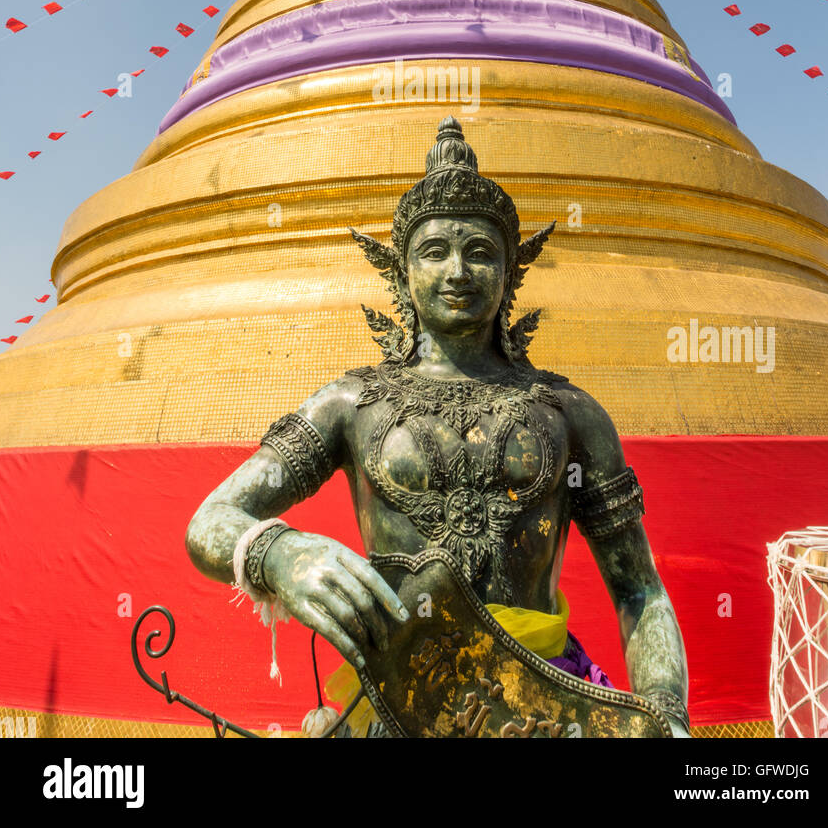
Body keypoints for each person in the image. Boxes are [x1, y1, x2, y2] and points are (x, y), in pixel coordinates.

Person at [186, 116, 690, 737]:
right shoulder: (351, 403)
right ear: (401, 272)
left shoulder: (568, 412)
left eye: (480, 252)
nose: (458, 270)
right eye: (435, 251)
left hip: (537, 713)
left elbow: (640, 591)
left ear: (510, 272)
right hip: (400, 703)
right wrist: (279, 554)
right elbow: (211, 520)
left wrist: (666, 715)